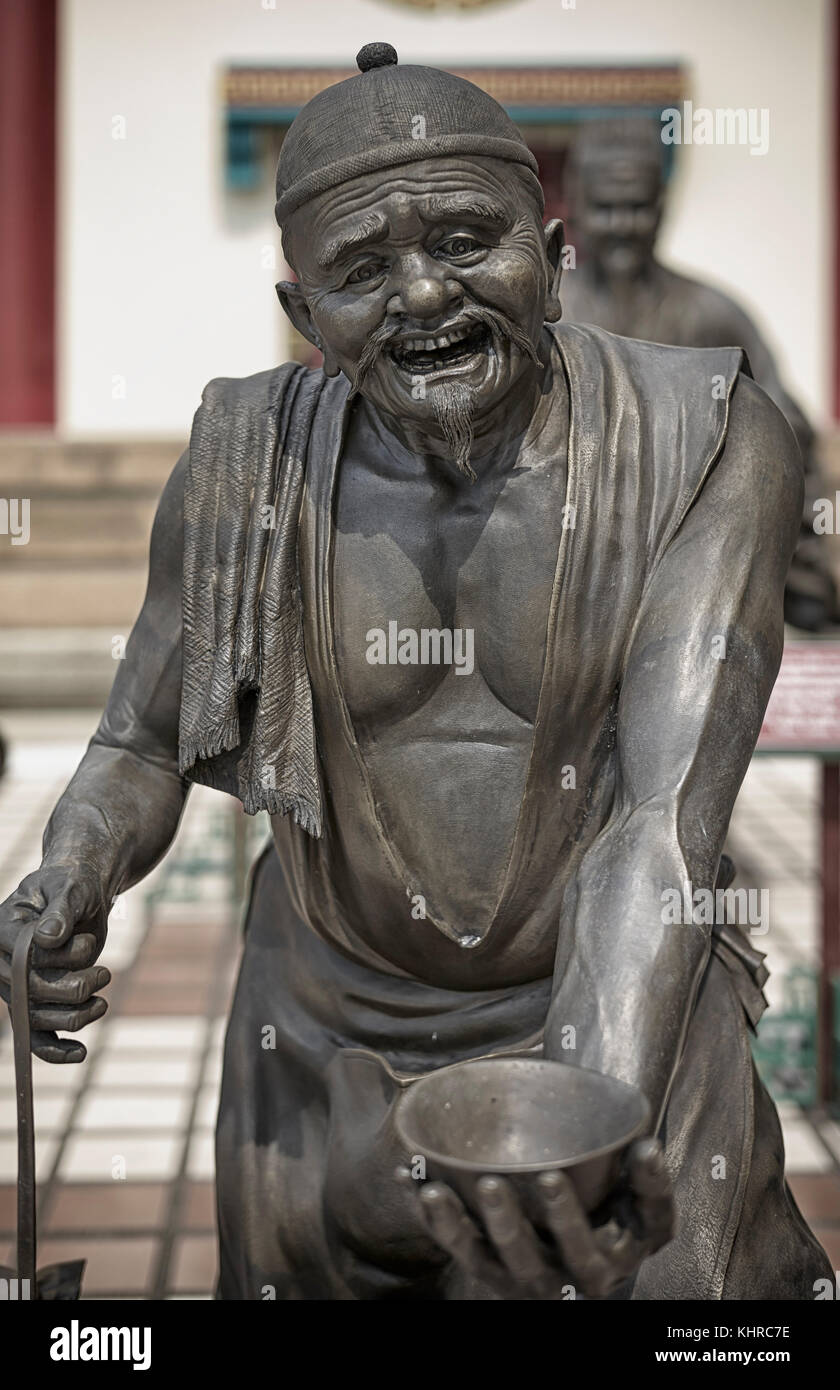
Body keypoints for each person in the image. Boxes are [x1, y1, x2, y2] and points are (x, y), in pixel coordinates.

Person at [0, 45, 830, 1300]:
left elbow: (659, 824)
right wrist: (67, 878)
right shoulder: (246, 464)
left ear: (552, 256)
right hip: (326, 1026)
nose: (427, 294)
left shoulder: (707, 437)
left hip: (614, 1006)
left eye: (464, 239)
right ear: (303, 314)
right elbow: (141, 741)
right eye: (363, 271)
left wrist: (579, 1126)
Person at [561, 116, 837, 632]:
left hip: (692, 558)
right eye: (605, 208)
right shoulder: (551, 311)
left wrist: (804, 569)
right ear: (575, 208)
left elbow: (784, 429)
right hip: (571, 552)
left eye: (637, 207)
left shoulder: (711, 313)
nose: (622, 224)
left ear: (663, 208)